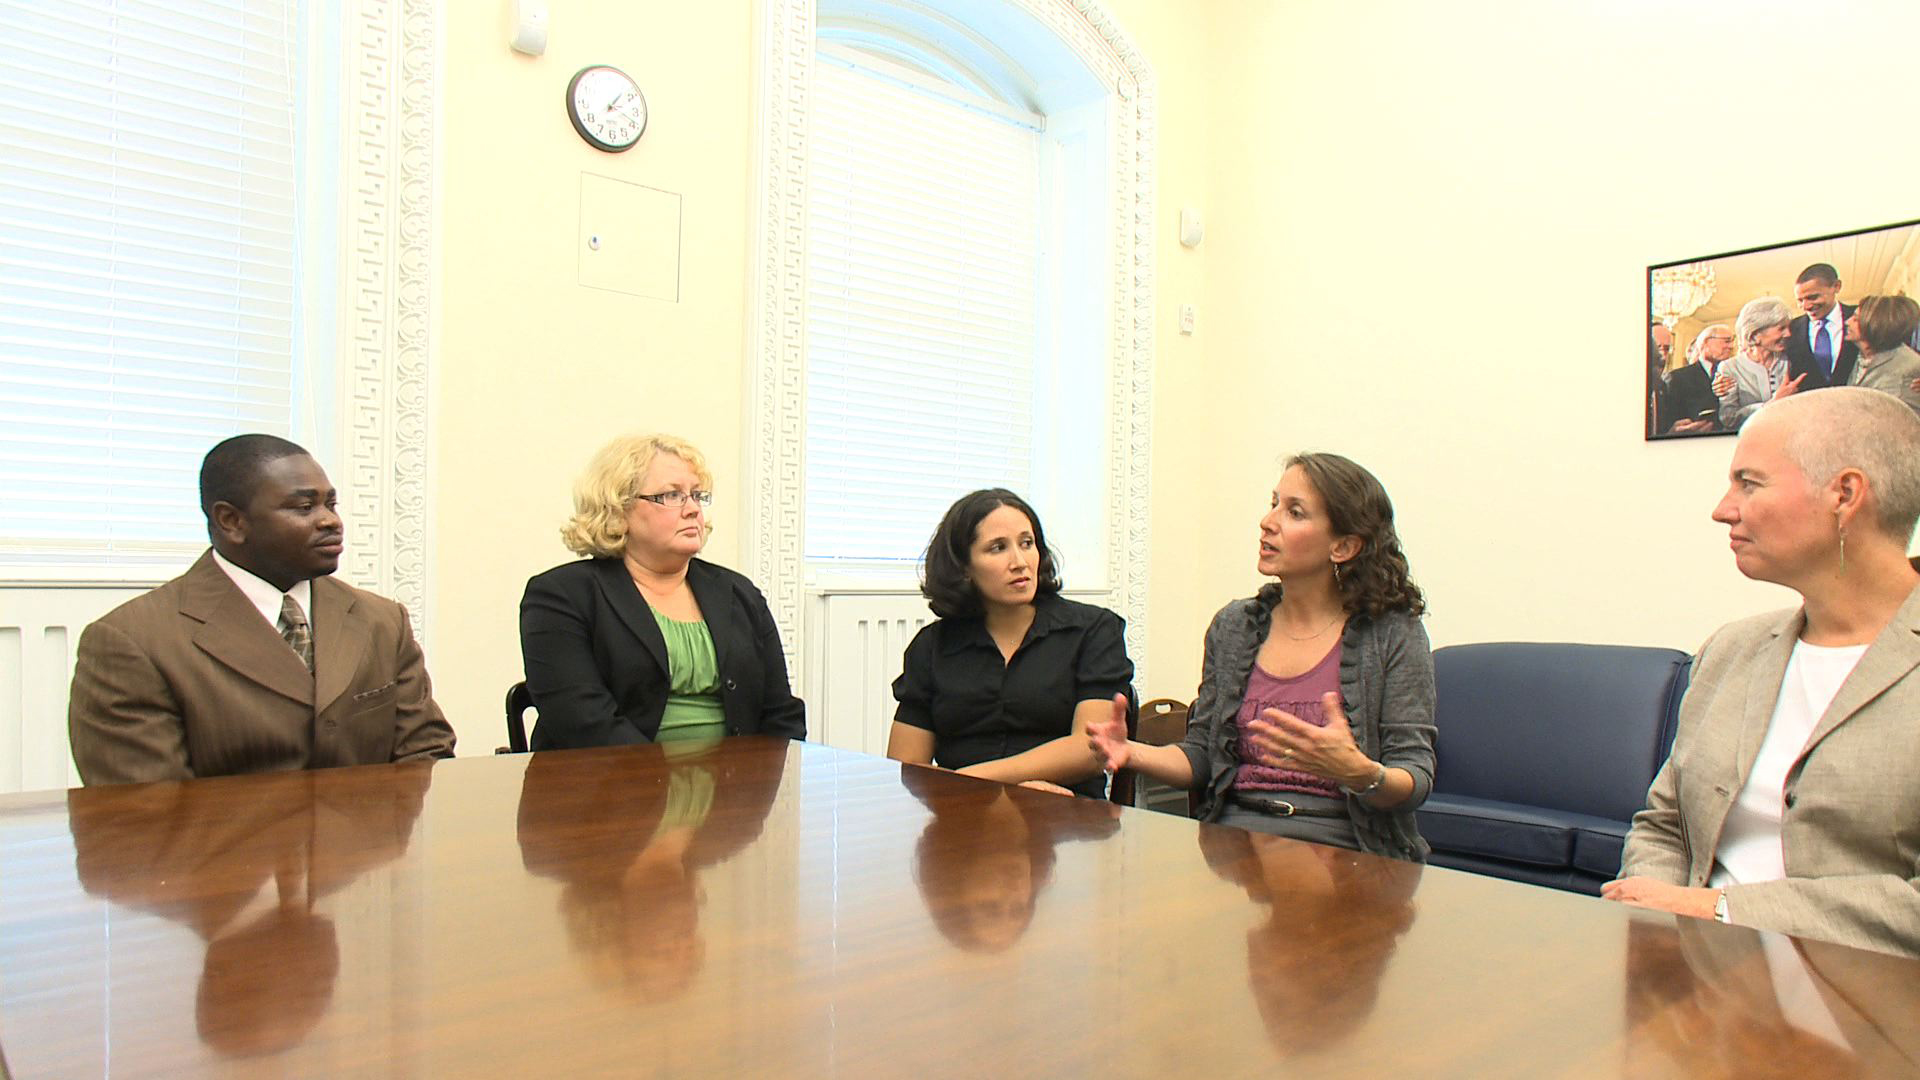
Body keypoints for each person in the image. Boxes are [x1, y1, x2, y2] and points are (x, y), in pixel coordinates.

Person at [1606, 388, 1920, 959]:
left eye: (1749, 483)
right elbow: (1665, 824)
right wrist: (1658, 927)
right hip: (1700, 999)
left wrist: (1722, 910)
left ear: (1845, 494)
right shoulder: (1733, 649)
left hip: (1874, 1023)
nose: (1723, 509)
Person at [1086, 453, 1436, 860]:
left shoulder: (1392, 633)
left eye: (1295, 512)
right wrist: (1132, 752)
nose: (1268, 522)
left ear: (1343, 546)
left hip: (1348, 848)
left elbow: (1416, 775)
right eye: (1273, 503)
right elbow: (1202, 754)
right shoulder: (1234, 626)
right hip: (1234, 844)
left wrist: (1360, 773)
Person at [68, 435, 455, 785]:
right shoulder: (132, 641)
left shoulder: (382, 620)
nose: (331, 521)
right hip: (225, 862)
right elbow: (147, 812)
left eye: (331, 504)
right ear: (231, 521)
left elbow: (425, 754)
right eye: (304, 507)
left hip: (373, 857)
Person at [519, 434, 804, 748]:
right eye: (672, 495)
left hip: (734, 788)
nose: (693, 509)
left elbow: (781, 715)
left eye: (697, 495)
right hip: (610, 788)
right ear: (618, 508)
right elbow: (582, 723)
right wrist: (666, 786)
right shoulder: (561, 596)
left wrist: (761, 787)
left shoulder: (738, 593)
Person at [887, 489, 1135, 799]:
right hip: (964, 815)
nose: (1019, 562)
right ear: (963, 567)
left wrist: (969, 779)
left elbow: (1091, 749)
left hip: (1065, 814)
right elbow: (906, 765)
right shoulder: (932, 647)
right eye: (997, 548)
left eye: (1027, 543)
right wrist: (986, 793)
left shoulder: (1094, 630)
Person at [1715, 297, 1805, 431]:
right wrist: (1772, 404)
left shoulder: (1791, 360)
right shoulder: (1730, 367)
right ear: (1754, 335)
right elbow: (1728, 418)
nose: (1788, 334)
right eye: (1781, 329)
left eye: (1788, 327)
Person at [1844, 294, 1920, 417]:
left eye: (1856, 319)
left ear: (1876, 323)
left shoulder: (1909, 367)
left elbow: (1910, 424)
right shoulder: (1859, 357)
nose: (1847, 322)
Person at [1785, 263, 1858, 390]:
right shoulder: (1791, 329)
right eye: (1800, 300)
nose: (1806, 306)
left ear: (1836, 286)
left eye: (1812, 297)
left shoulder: (1860, 319)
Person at [1662, 322, 1735, 434]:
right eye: (1726, 341)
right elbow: (1668, 423)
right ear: (1706, 343)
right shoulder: (1677, 377)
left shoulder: (1736, 374)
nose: (1731, 346)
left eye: (1732, 341)